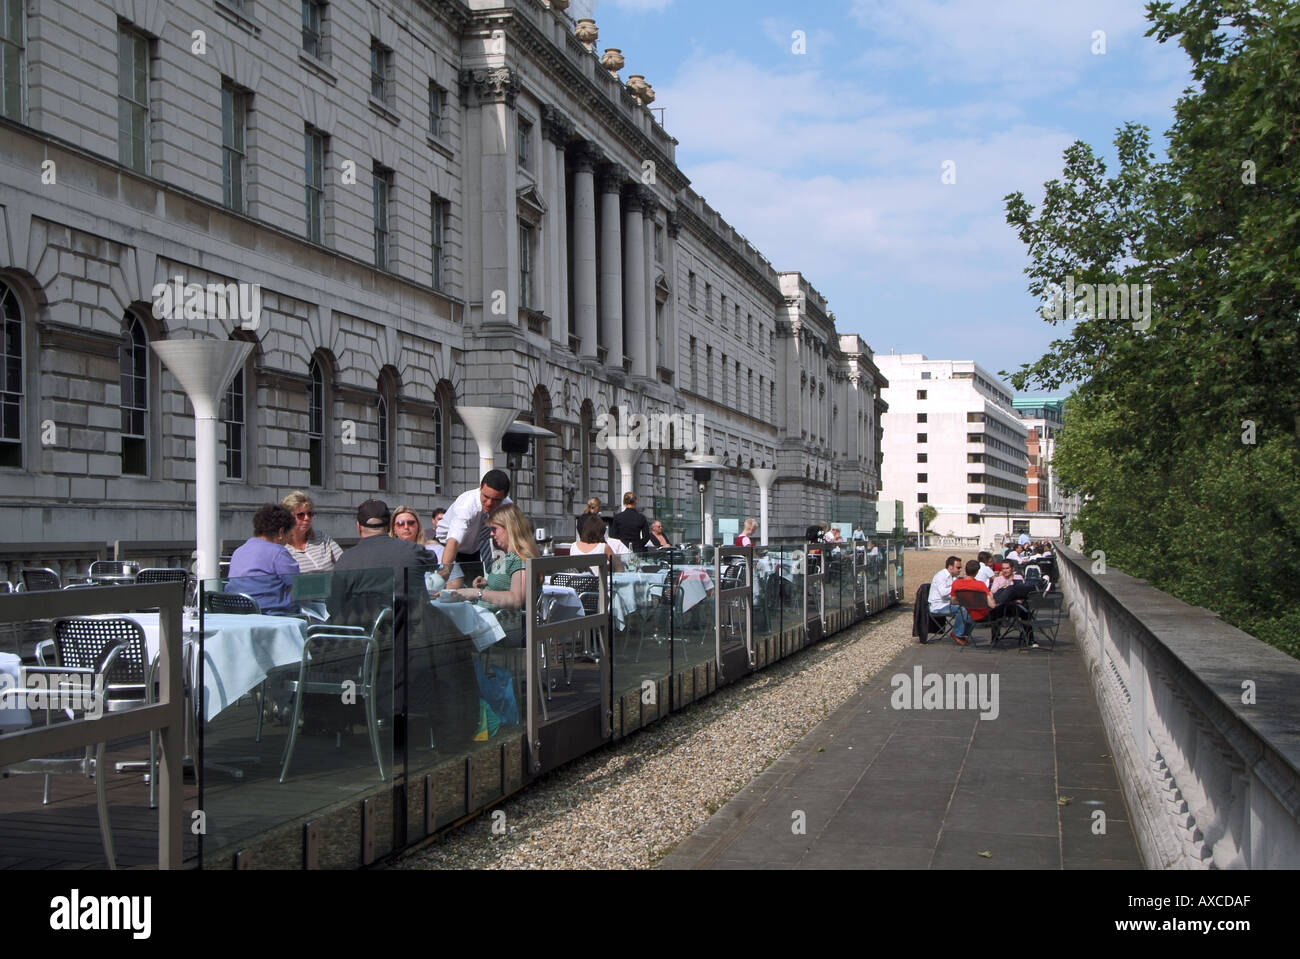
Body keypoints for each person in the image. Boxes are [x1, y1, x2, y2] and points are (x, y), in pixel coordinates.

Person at [330, 498, 478, 746]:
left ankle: (343, 718)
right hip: (414, 644)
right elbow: (434, 565)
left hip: (364, 650)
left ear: (358, 527)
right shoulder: (410, 551)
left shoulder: (346, 560)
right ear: (389, 525)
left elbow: (334, 607)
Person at [447, 503, 540, 609]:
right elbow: (506, 585)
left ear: (509, 529)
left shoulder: (521, 558)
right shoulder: (505, 556)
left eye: (494, 529)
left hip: (504, 623)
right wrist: (487, 584)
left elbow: (517, 600)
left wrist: (477, 593)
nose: (491, 534)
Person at [435, 469, 512, 584]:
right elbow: (454, 540)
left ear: (505, 496)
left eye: (496, 499)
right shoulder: (466, 505)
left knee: (477, 588)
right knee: (453, 588)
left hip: (473, 551)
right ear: (480, 487)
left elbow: (514, 536)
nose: (489, 503)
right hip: (446, 547)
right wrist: (446, 570)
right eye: (486, 496)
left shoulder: (507, 506)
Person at [228, 504, 300, 615]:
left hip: (238, 614)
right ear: (281, 532)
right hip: (273, 617)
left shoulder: (239, 551)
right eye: (290, 535)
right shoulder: (278, 553)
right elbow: (299, 587)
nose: (288, 541)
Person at [393, 504, 465, 589]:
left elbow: (456, 581)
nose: (406, 527)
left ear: (418, 526)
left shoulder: (437, 550)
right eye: (400, 524)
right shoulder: (387, 552)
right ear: (394, 528)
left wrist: (437, 593)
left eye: (411, 523)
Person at [281, 491, 343, 573]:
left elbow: (344, 562)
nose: (307, 518)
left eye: (309, 514)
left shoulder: (322, 538)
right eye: (300, 515)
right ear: (288, 517)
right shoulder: (281, 548)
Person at [928, 555, 973, 645]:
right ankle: (957, 634)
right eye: (958, 567)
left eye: (960, 567)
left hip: (949, 603)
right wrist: (956, 587)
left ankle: (963, 633)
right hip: (938, 606)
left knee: (972, 607)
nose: (960, 570)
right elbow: (943, 593)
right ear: (950, 567)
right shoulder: (940, 576)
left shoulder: (954, 577)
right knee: (962, 609)